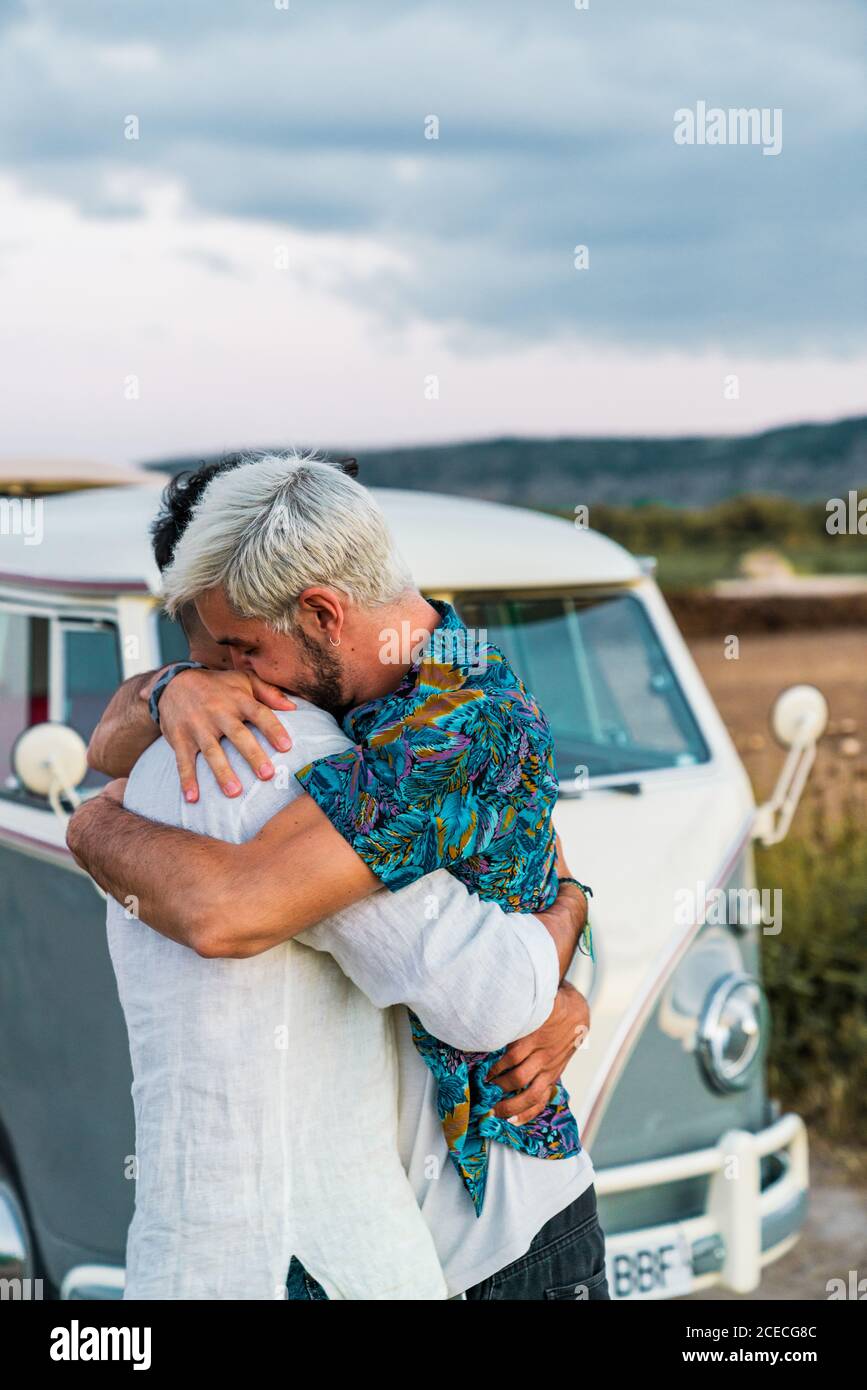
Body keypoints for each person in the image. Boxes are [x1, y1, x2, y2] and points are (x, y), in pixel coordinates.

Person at [73, 452, 609, 1300]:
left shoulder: (444, 727)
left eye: (239, 652)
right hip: (400, 1230)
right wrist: (170, 689)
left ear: (322, 611)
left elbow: (229, 910)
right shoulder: (388, 671)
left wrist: (92, 822)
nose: (233, 681)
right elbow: (106, 744)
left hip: (499, 1240)